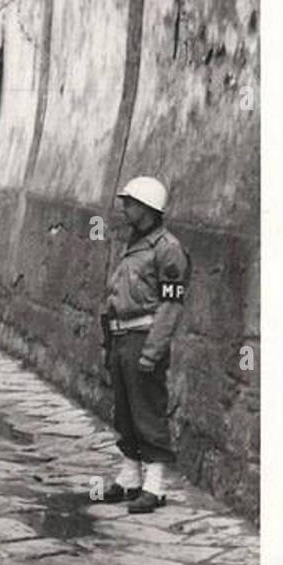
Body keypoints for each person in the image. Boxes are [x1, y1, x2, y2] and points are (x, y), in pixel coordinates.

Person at [100, 176, 189, 514]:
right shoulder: (134, 244)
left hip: (144, 338)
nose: (125, 208)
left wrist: (153, 351)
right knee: (124, 411)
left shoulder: (168, 249)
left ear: (149, 209)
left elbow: (171, 305)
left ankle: (154, 486)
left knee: (148, 410)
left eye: (131, 203)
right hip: (121, 337)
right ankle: (129, 478)